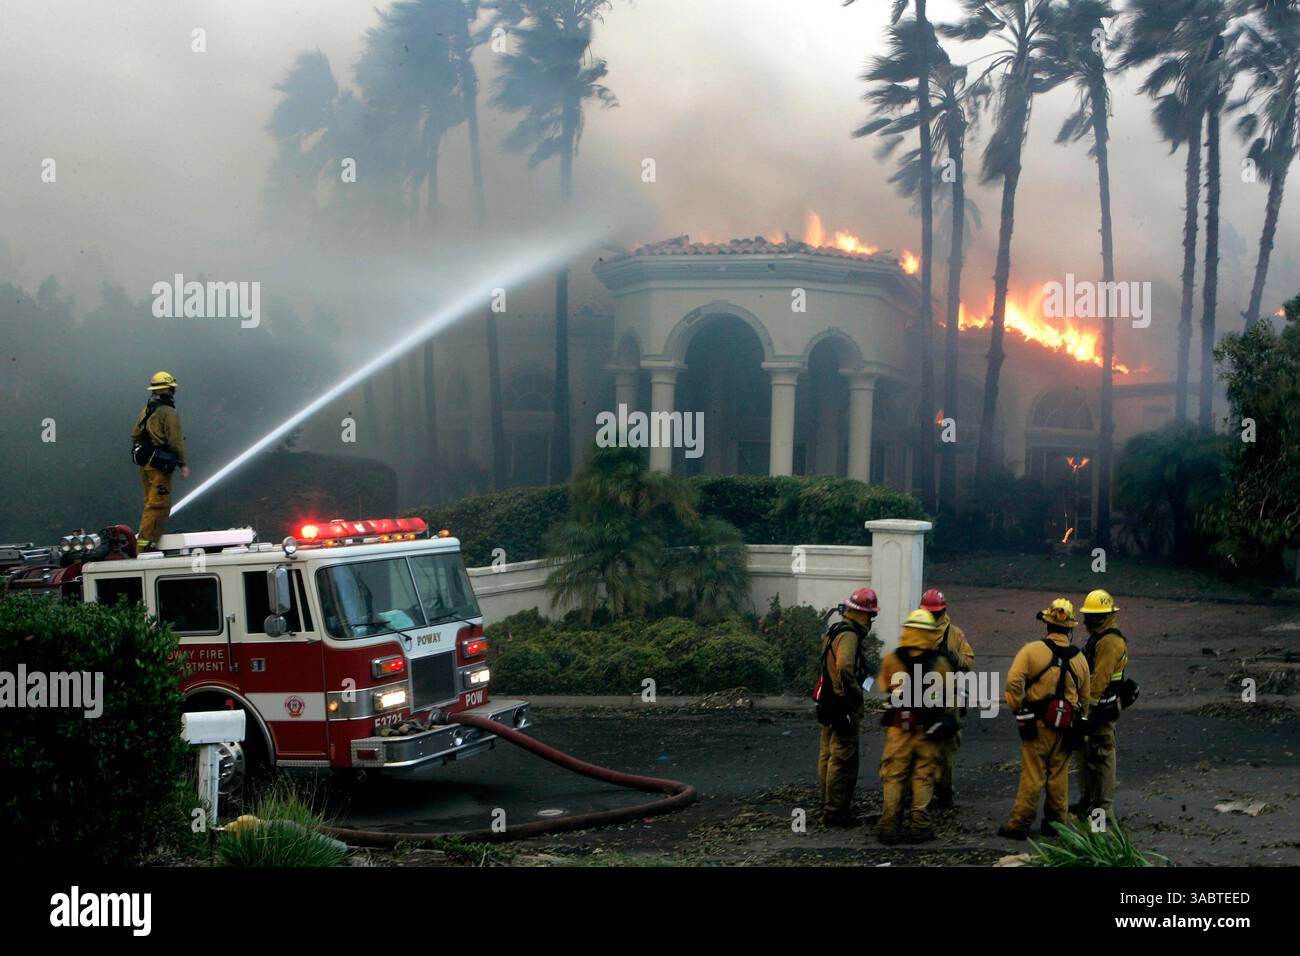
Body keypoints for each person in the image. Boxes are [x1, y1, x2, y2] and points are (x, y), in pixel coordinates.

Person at [999, 598, 1091, 839]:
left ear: (1047, 625)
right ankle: (1056, 824)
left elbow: (1013, 682)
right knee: (1059, 775)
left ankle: (1019, 825)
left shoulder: (1031, 651)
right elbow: (1085, 698)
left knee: (1033, 774)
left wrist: (1018, 709)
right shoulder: (1080, 660)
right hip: (1066, 728)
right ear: (1070, 629)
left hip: (1037, 725)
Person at [876, 607, 954, 844]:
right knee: (924, 776)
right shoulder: (940, 662)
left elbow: (885, 688)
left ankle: (889, 825)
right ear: (931, 634)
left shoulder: (892, 658)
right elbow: (948, 698)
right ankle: (919, 825)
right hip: (928, 730)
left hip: (899, 728)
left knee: (894, 775)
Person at [814, 587, 877, 827]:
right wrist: (855, 698)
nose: (871, 620)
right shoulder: (849, 635)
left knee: (828, 755)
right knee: (843, 759)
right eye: (870, 615)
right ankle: (835, 812)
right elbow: (844, 668)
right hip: (841, 704)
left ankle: (827, 804)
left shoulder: (835, 630)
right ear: (860, 613)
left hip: (828, 701)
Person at [1073, 588, 1129, 823]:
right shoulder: (1099, 637)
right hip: (1096, 708)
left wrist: (1085, 712)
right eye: (1088, 616)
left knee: (1103, 756)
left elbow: (1098, 681)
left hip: (1101, 711)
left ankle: (1104, 810)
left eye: (1095, 617)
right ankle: (1088, 802)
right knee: (1085, 756)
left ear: (1107, 616)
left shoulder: (1110, 642)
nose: (1089, 621)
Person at [921, 587, 974, 809]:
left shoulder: (955, 634)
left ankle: (943, 795)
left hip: (946, 701)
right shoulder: (917, 631)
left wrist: (954, 657)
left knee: (946, 750)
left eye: (935, 613)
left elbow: (968, 662)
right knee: (923, 748)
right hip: (922, 700)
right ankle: (922, 795)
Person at [131, 371, 189, 551]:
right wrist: (182, 463)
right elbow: (175, 440)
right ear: (170, 389)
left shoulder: (146, 409)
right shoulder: (168, 412)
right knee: (159, 505)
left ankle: (145, 542)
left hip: (146, 465)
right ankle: (145, 547)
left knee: (150, 502)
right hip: (159, 466)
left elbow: (135, 434)